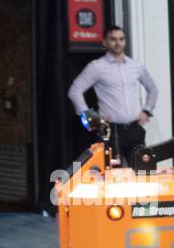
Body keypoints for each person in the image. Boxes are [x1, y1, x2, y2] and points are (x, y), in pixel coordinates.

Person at [67, 26, 159, 166]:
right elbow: (75, 91)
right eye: (113, 39)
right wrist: (91, 117)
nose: (118, 43)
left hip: (134, 128)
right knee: (112, 174)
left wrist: (147, 110)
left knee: (143, 171)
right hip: (110, 130)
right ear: (105, 42)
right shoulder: (97, 67)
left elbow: (152, 88)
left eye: (121, 39)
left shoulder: (135, 66)